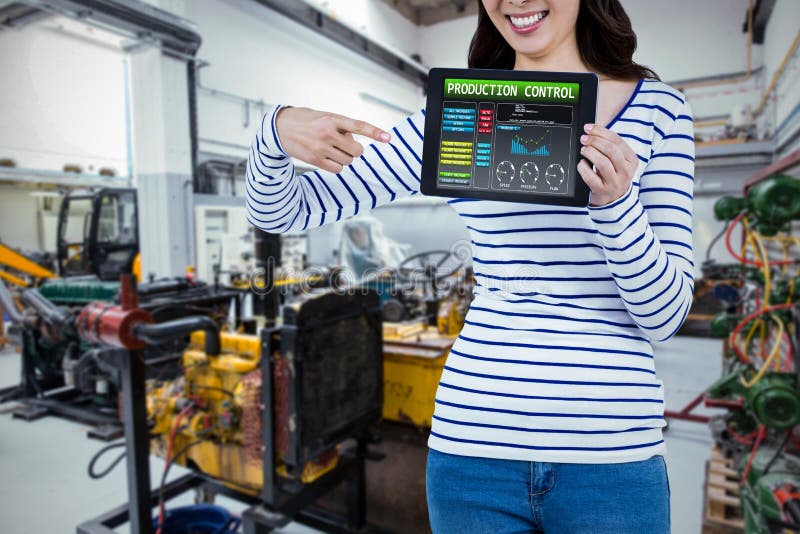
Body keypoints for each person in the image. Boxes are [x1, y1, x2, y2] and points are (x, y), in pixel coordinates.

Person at [245, 0, 694, 531]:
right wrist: (272, 133)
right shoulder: (459, 116)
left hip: (609, 457)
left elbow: (664, 316)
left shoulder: (658, 110)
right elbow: (285, 209)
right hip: (473, 452)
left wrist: (616, 208)